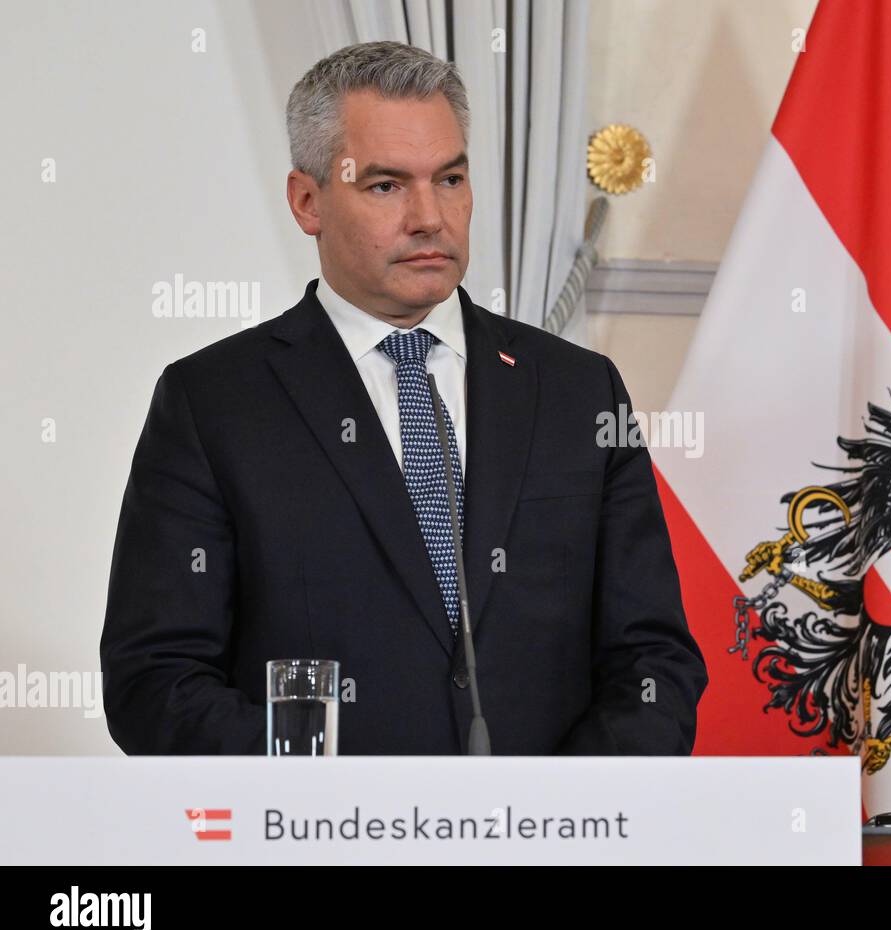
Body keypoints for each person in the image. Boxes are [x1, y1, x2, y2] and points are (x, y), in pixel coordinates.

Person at [99, 41, 707, 755]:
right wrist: (341, 799)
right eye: (386, 185)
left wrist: (560, 815)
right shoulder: (214, 403)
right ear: (307, 200)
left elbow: (653, 660)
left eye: (449, 179)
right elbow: (156, 680)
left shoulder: (578, 392)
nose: (429, 216)